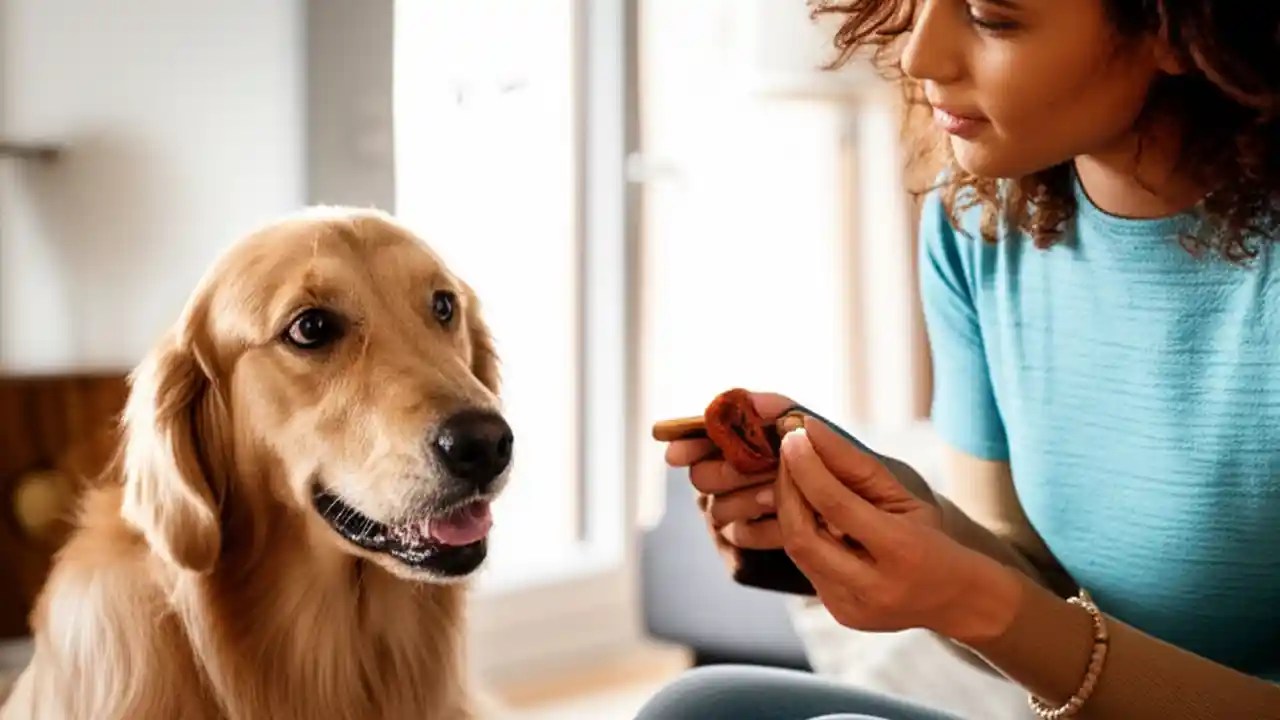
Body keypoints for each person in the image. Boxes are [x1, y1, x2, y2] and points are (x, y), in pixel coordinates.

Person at [635, 0, 1280, 718]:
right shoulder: (977, 221)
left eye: (989, 18)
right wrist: (891, 522)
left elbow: (1018, 613)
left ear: (1180, 30)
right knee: (705, 709)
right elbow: (1033, 577)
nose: (918, 57)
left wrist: (976, 603)